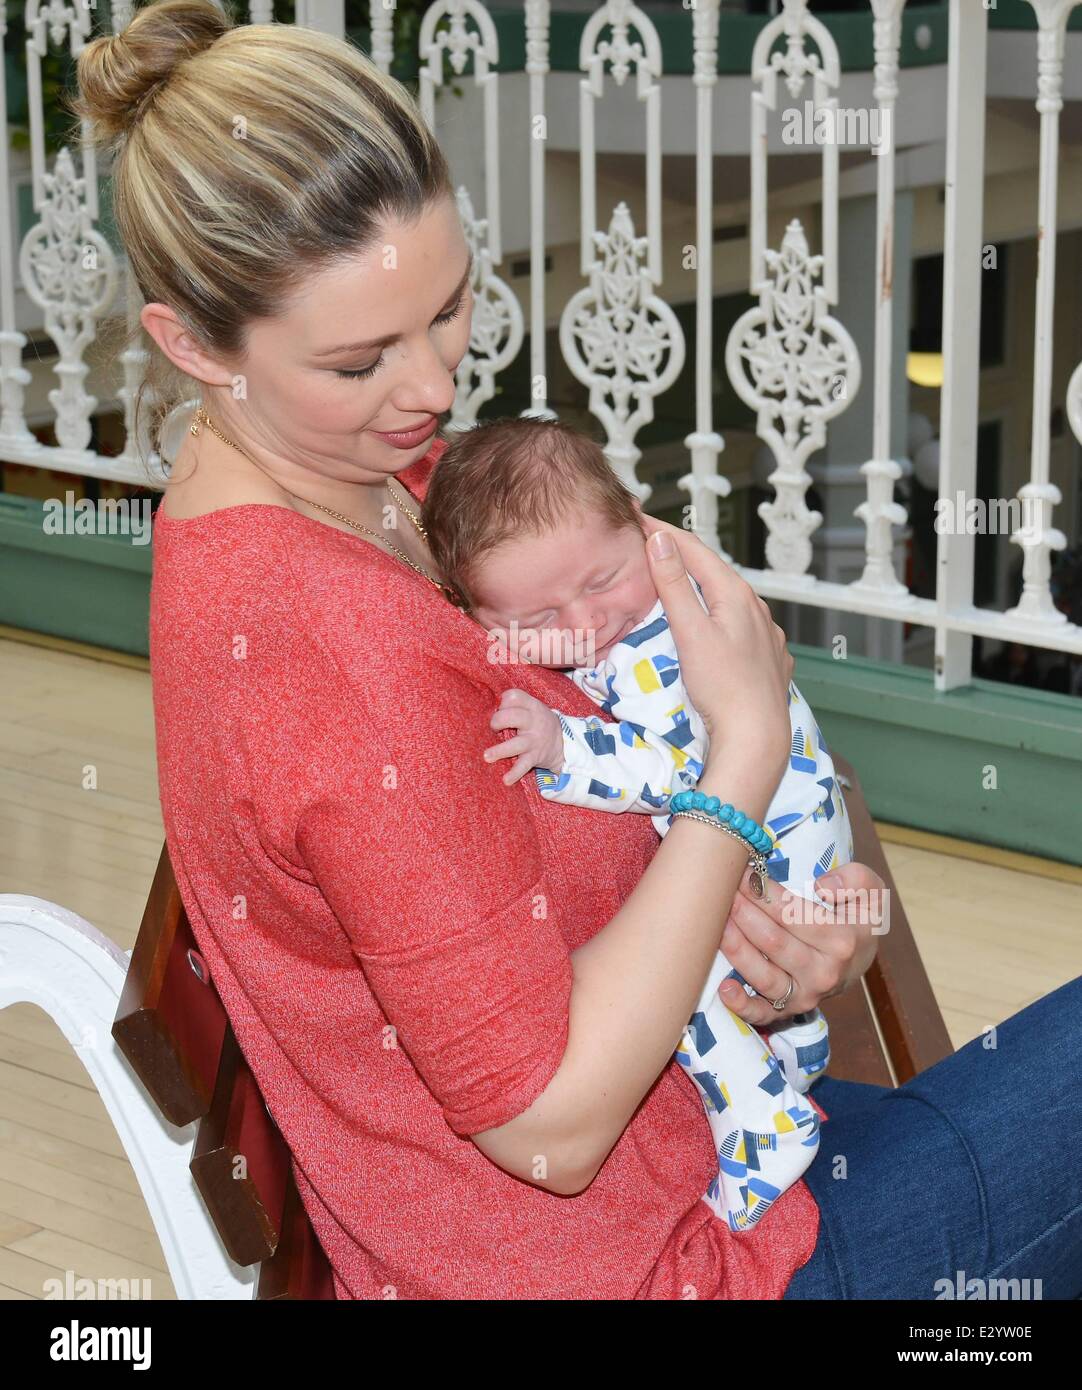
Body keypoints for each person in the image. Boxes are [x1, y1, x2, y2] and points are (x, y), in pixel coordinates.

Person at [71, 0, 1082, 1299]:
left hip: (720, 1144)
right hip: (660, 1261)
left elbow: (689, 618)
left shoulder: (383, 484)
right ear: (191, 344)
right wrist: (742, 761)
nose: (433, 384)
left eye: (449, 308)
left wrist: (807, 923)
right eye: (359, 357)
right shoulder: (327, 642)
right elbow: (548, 1131)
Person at [422, 415, 849, 1232]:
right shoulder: (665, 604)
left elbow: (680, 775)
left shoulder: (665, 640)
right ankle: (793, 1061)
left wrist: (560, 744)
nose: (584, 623)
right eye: (538, 617)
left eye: (601, 578)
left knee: (674, 974)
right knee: (710, 962)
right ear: (479, 617)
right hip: (796, 831)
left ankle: (767, 1122)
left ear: (644, 532)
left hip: (785, 834)